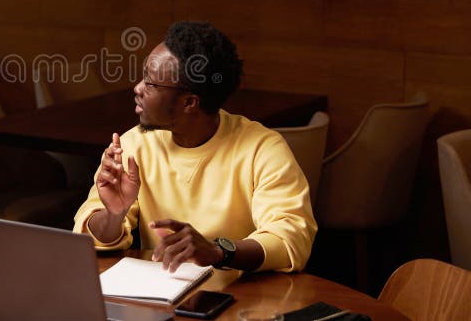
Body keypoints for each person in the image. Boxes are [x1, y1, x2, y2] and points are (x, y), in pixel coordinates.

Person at [73, 21, 317, 273]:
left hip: (243, 297)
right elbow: (89, 238)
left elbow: (291, 239)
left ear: (189, 102)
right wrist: (115, 214)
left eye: (151, 83)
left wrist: (218, 251)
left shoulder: (262, 149)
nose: (137, 88)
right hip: (161, 296)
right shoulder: (132, 146)